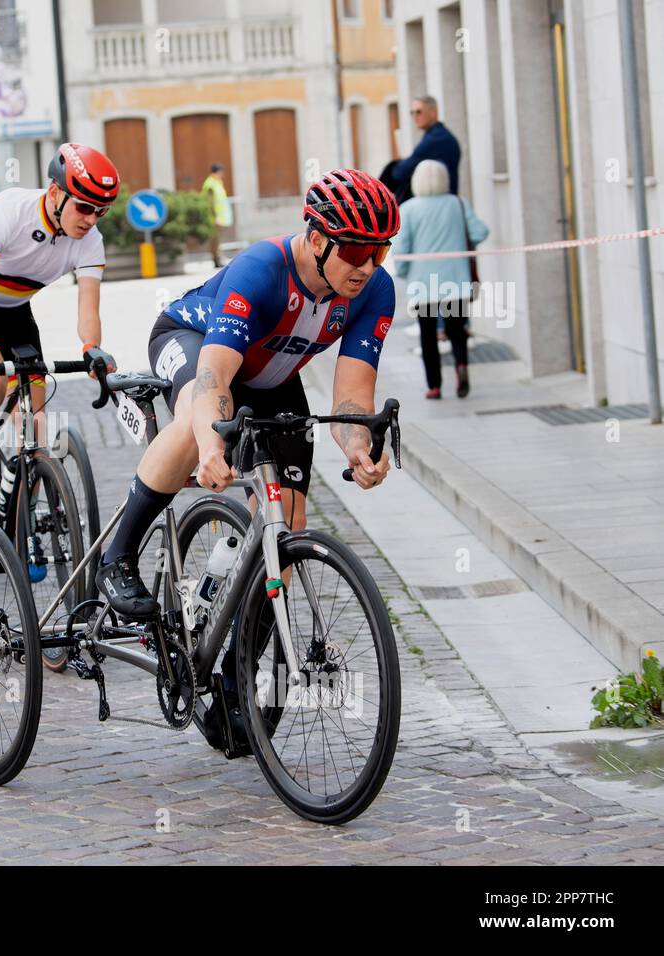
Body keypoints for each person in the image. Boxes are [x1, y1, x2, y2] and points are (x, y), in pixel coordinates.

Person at [95, 168, 400, 620]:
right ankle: (117, 557)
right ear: (317, 240)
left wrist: (359, 449)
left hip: (269, 377)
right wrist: (211, 444)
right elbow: (213, 377)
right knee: (192, 423)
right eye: (356, 251)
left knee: (285, 529)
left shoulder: (375, 291)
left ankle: (240, 669)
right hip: (193, 341)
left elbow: (352, 395)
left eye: (380, 251)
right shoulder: (261, 269)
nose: (368, 266)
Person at [0, 142, 118, 551]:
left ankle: (21, 511)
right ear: (55, 194)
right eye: (84, 207)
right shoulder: (8, 212)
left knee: (36, 412)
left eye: (100, 211)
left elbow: (89, 309)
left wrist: (92, 347)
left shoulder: (89, 241)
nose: (91, 219)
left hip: (14, 308)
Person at [391, 159, 489, 399]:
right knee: (457, 330)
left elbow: (400, 248)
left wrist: (404, 272)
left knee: (427, 335)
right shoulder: (457, 203)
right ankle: (461, 366)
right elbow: (480, 231)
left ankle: (434, 385)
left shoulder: (409, 209)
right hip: (455, 279)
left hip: (423, 281)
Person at [391, 95, 461, 196]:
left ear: (433, 112)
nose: (415, 116)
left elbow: (399, 173)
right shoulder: (439, 135)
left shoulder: (436, 139)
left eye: (419, 112)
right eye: (412, 112)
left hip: (438, 203)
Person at [201, 163, 233, 267]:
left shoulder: (217, 183)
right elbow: (209, 202)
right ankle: (217, 259)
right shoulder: (210, 184)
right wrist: (215, 217)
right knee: (215, 240)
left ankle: (218, 259)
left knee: (217, 239)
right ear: (217, 172)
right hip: (214, 218)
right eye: (221, 172)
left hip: (219, 217)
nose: (222, 174)